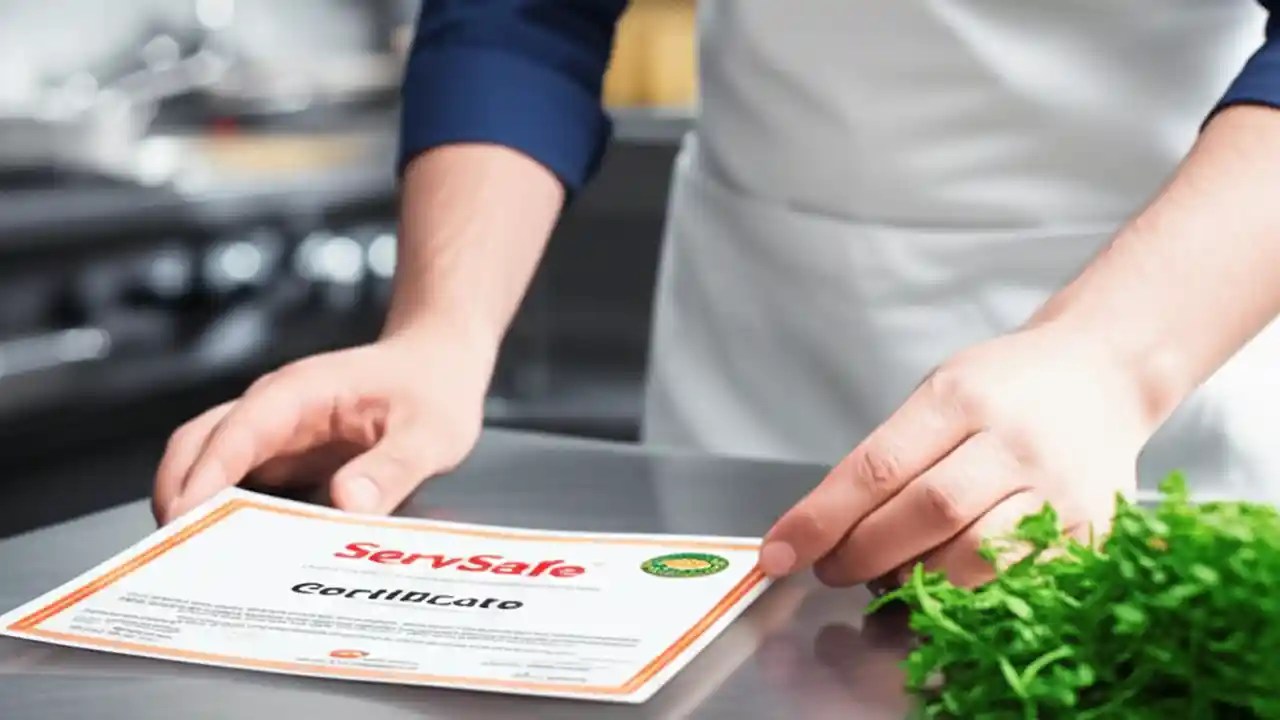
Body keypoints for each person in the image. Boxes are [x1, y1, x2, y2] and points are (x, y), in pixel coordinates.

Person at [153, 1, 1280, 589]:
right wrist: (439, 332)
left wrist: (1108, 358)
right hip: (761, 318)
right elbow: (522, 9)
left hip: (1173, 309)